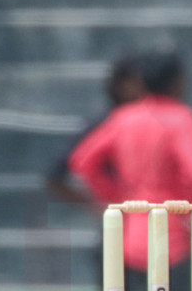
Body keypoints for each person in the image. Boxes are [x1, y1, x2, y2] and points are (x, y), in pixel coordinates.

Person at [68, 51, 192, 291]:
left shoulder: (125, 117)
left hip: (132, 233)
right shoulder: (181, 117)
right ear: (175, 82)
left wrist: (115, 198)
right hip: (174, 234)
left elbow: (82, 161)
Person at [46, 55, 145, 207]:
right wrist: (107, 200)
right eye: (140, 83)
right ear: (122, 85)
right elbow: (74, 166)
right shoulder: (108, 124)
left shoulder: (147, 124)